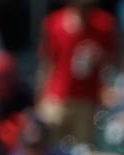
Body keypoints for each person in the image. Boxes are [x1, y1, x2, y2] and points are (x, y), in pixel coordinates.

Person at [37, 0, 118, 144]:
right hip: (56, 99)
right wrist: (41, 98)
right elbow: (47, 64)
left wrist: (99, 55)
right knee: (50, 153)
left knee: (82, 154)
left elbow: (116, 60)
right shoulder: (54, 23)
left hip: (87, 102)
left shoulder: (105, 24)